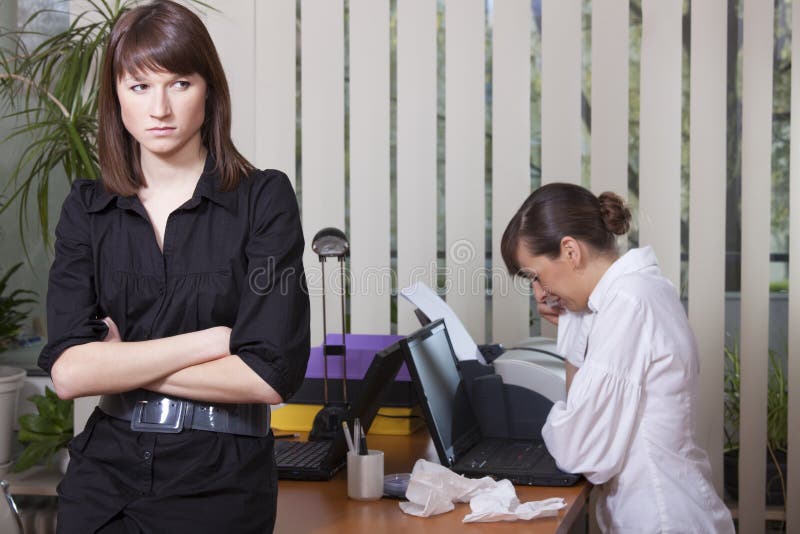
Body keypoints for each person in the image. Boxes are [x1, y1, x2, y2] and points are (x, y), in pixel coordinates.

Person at [38, 1, 310, 532]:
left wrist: (118, 364)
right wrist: (214, 341)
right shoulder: (87, 208)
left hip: (221, 481)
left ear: (209, 91)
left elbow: (268, 375)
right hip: (103, 478)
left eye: (179, 83)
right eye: (139, 86)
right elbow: (69, 373)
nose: (159, 108)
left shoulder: (263, 199)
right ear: (117, 96)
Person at [501, 183, 734, 533]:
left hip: (661, 518)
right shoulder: (639, 291)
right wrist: (573, 318)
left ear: (570, 251)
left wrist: (573, 323)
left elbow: (579, 451)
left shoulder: (627, 303)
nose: (539, 293)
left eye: (535, 277)